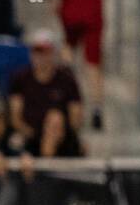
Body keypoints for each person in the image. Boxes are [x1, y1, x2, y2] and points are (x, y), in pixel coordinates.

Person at [51, 0, 107, 131]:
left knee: (67, 50)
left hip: (71, 13)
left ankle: (67, 96)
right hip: (93, 15)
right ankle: (97, 108)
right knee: (93, 64)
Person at [8, 29, 84, 157]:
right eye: (37, 51)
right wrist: (36, 134)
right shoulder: (20, 78)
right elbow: (15, 117)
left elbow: (75, 117)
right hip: (30, 135)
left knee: (55, 118)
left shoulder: (67, 79)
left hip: (61, 135)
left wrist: (58, 132)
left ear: (53, 53)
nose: (41, 57)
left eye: (45, 52)